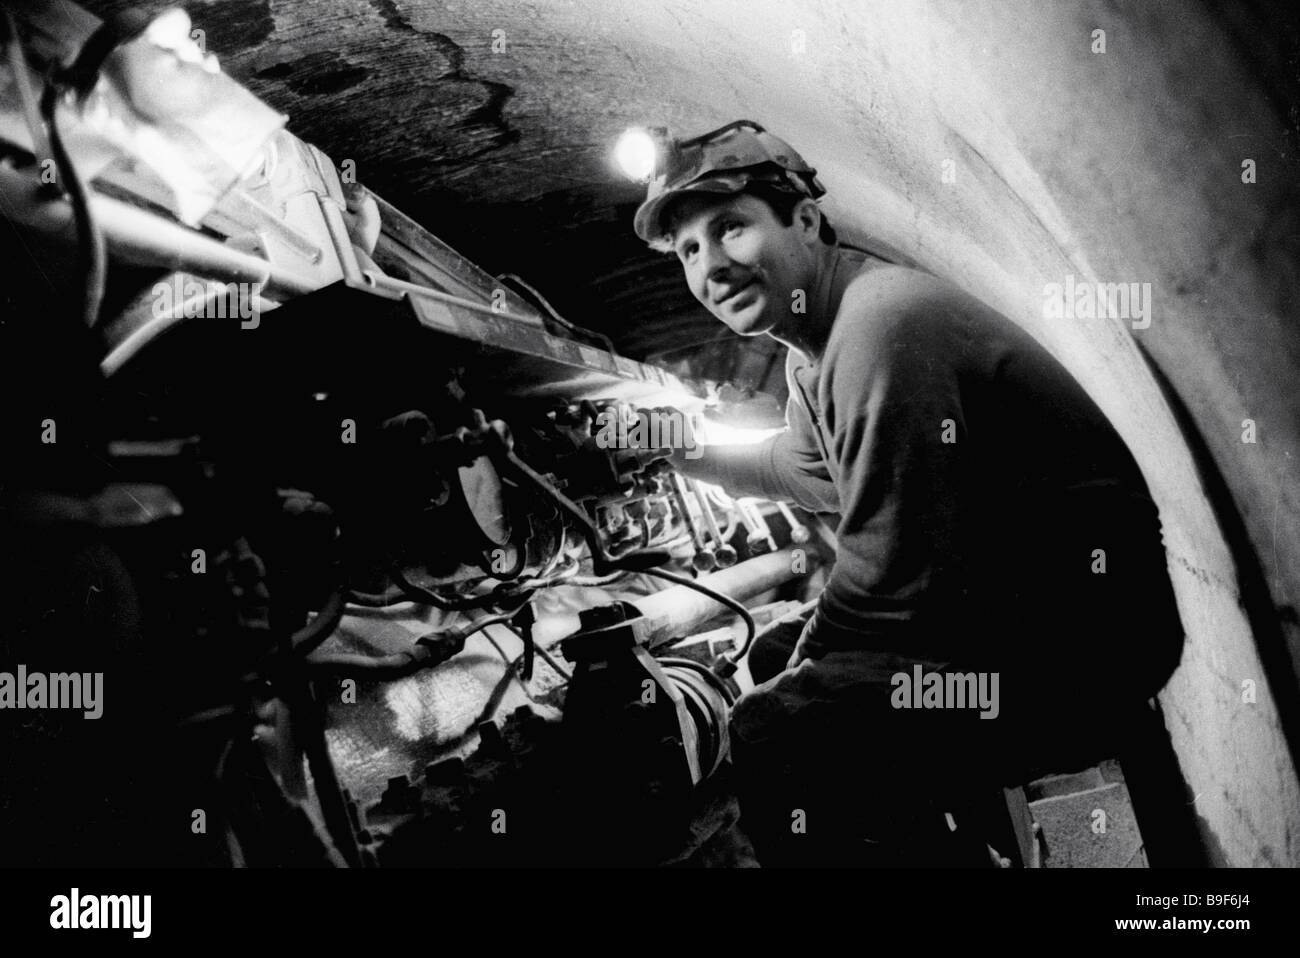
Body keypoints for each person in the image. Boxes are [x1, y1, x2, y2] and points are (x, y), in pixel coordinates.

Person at [633, 121, 1186, 865]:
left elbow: (893, 580)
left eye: (730, 228)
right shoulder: (815, 352)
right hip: (1013, 621)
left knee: (772, 732)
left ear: (802, 220)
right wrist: (672, 446)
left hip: (1080, 659)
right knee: (775, 662)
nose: (710, 268)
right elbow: (802, 473)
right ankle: (941, 841)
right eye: (689, 251)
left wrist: (810, 662)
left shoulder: (879, 330)